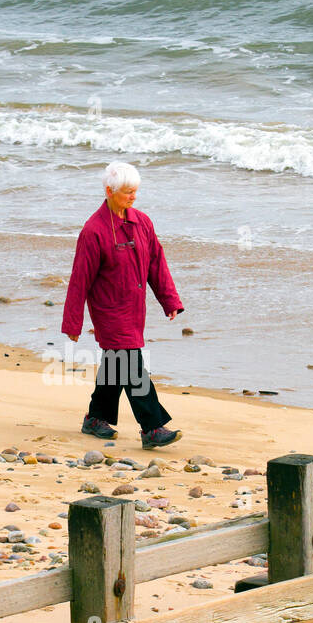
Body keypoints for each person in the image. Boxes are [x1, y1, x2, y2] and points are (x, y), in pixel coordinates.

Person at [61, 161, 184, 449]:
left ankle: (95, 418)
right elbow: (79, 279)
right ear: (109, 191)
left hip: (133, 309)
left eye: (135, 191)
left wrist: (169, 300)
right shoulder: (94, 231)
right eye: (128, 192)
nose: (133, 197)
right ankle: (152, 428)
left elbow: (156, 263)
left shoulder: (142, 222)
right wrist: (73, 323)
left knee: (116, 364)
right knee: (130, 364)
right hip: (108, 311)